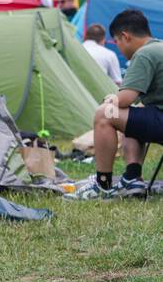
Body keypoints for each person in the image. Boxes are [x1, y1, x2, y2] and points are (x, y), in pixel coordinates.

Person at [67, 10, 163, 199]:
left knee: (106, 113)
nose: (117, 48)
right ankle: (132, 178)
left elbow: (125, 98)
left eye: (116, 42)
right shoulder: (159, 47)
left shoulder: (144, 54)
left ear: (125, 36)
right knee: (134, 114)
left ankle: (102, 185)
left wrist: (112, 98)